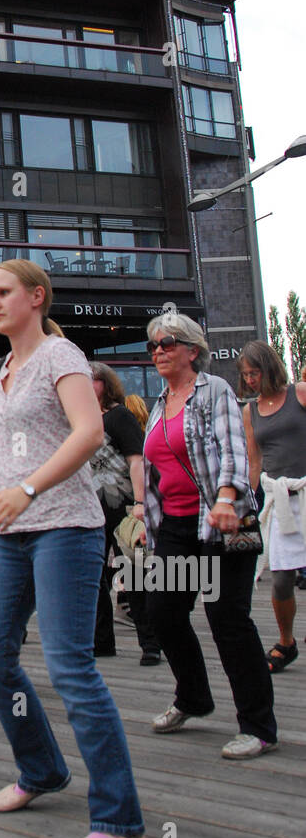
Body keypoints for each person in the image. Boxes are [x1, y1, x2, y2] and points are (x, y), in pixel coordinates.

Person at [0, 261, 144, 838]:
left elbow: (89, 433)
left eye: (3, 292)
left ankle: (120, 816)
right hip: (10, 532)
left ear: (36, 298)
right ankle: (41, 768)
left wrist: (31, 490)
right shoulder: (2, 369)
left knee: (71, 667)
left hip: (65, 528)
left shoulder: (60, 356)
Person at [142, 313, 276, 759]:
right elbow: (155, 470)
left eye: (167, 343)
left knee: (227, 619)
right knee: (162, 612)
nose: (158, 350)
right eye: (153, 345)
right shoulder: (160, 403)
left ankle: (257, 726)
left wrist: (224, 499)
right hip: (176, 526)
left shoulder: (214, 390)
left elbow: (233, 451)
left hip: (221, 521)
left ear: (192, 350)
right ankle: (193, 698)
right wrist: (148, 519)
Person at [238, 341, 306, 672]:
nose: (250, 380)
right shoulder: (250, 411)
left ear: (270, 367)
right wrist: (246, 504)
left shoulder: (301, 393)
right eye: (246, 374)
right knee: (281, 578)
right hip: (279, 499)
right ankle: (287, 641)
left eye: (255, 372)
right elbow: (254, 460)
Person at [89, 362, 159, 666]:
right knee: (94, 576)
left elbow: (137, 460)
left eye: (92, 380)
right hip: (90, 508)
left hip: (124, 507)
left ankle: (151, 643)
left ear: (106, 383)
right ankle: (101, 640)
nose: (86, 385)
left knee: (136, 574)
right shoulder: (81, 420)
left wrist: (141, 503)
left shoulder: (119, 416)